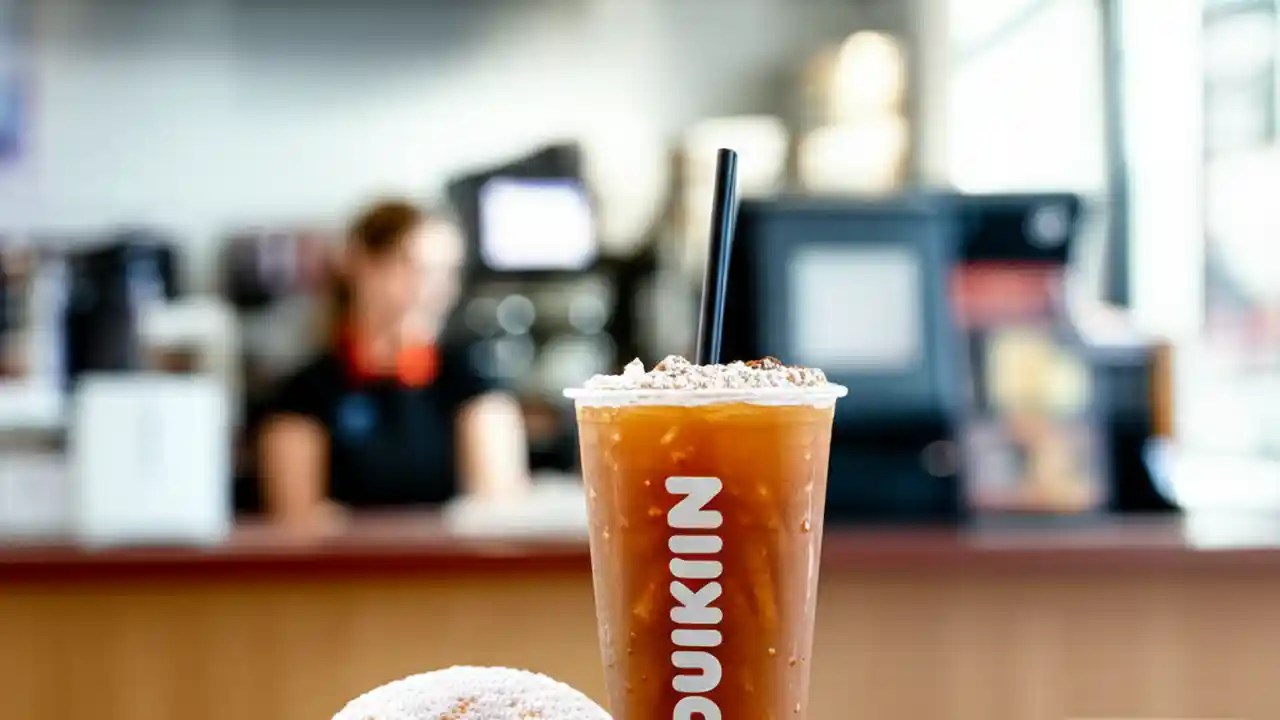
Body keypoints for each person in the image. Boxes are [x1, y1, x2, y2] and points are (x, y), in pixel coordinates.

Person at [258, 199, 529, 527]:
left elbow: (498, 512)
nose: (431, 290)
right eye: (411, 267)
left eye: (445, 273)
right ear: (359, 263)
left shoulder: (474, 386)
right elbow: (297, 523)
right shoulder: (303, 396)